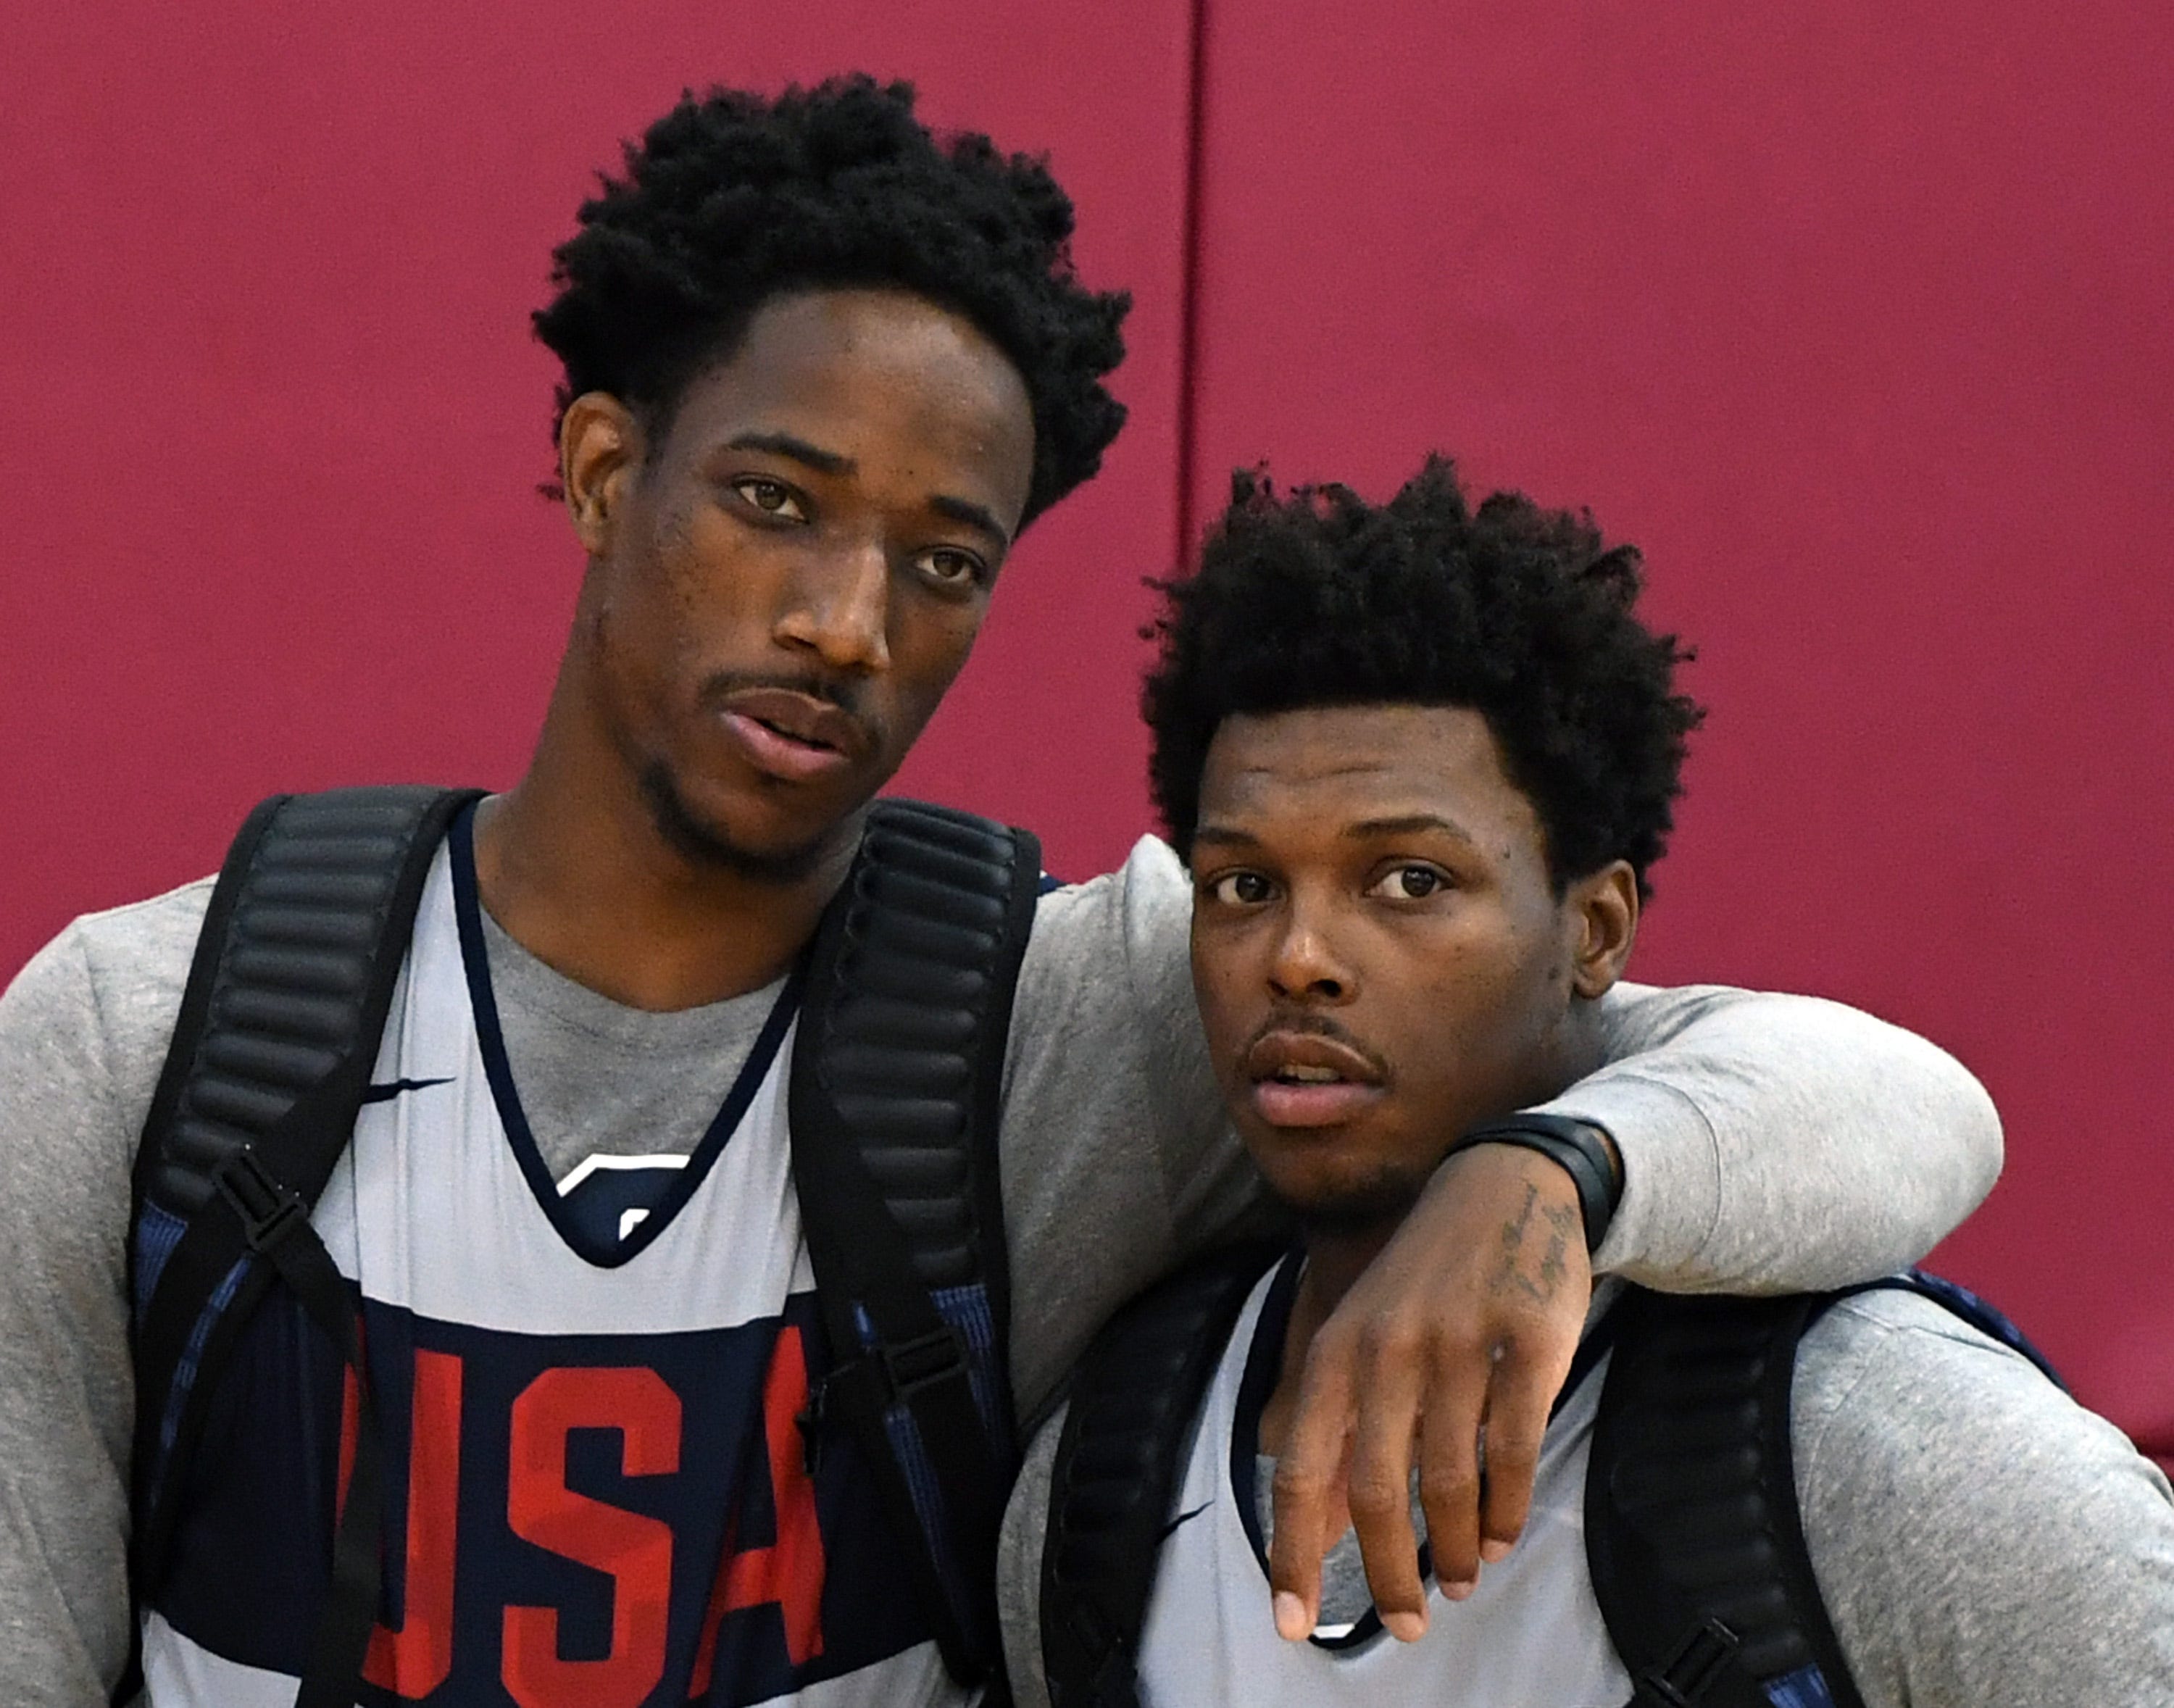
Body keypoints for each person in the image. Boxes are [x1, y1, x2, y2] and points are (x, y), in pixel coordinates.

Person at [0, 80, 2004, 1708]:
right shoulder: (147, 1031)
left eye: (944, 560)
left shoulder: (1070, 1023)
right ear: (606, 470)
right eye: (775, 501)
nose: (845, 619)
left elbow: (1904, 1110)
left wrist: (1546, 1178)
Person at [996, 458, 2174, 1708]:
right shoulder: (1094, 1490)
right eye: (1244, 885)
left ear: (1597, 930)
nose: (1297, 956)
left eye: (1410, 880)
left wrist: (1554, 1172)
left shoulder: (1883, 1441)